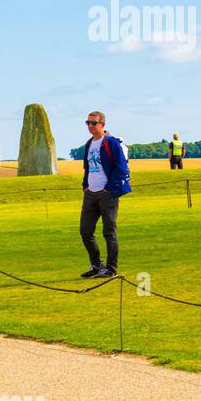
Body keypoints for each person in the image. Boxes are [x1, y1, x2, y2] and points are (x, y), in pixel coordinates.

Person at [80, 110, 130, 279]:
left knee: (109, 232)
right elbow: (87, 167)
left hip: (106, 194)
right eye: (88, 123)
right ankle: (96, 266)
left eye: (93, 123)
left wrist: (109, 188)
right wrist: (85, 185)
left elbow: (121, 168)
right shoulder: (89, 144)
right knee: (85, 231)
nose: (90, 126)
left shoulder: (111, 143)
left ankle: (110, 269)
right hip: (90, 194)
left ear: (102, 124)